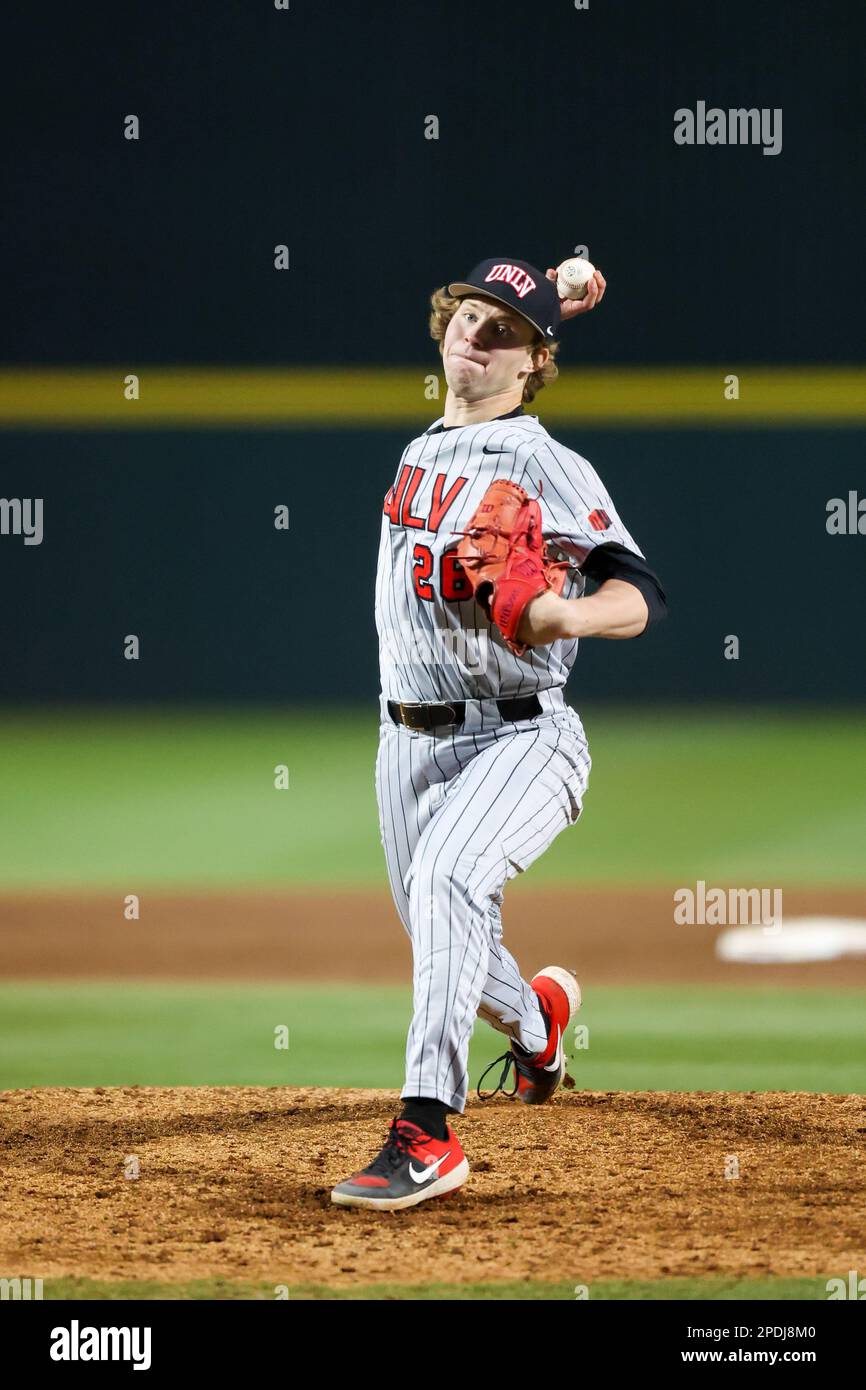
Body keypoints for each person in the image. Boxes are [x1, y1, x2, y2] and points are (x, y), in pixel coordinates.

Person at [331, 257, 666, 1211]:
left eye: (499, 333)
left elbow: (639, 596)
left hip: (522, 733)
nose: (472, 337)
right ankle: (538, 1028)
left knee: (445, 884)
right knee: (441, 930)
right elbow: (508, 313)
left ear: (533, 365)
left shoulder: (542, 461)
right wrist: (547, 293)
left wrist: (565, 617)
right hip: (406, 741)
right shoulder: (421, 446)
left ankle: (426, 1132)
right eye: (464, 320)